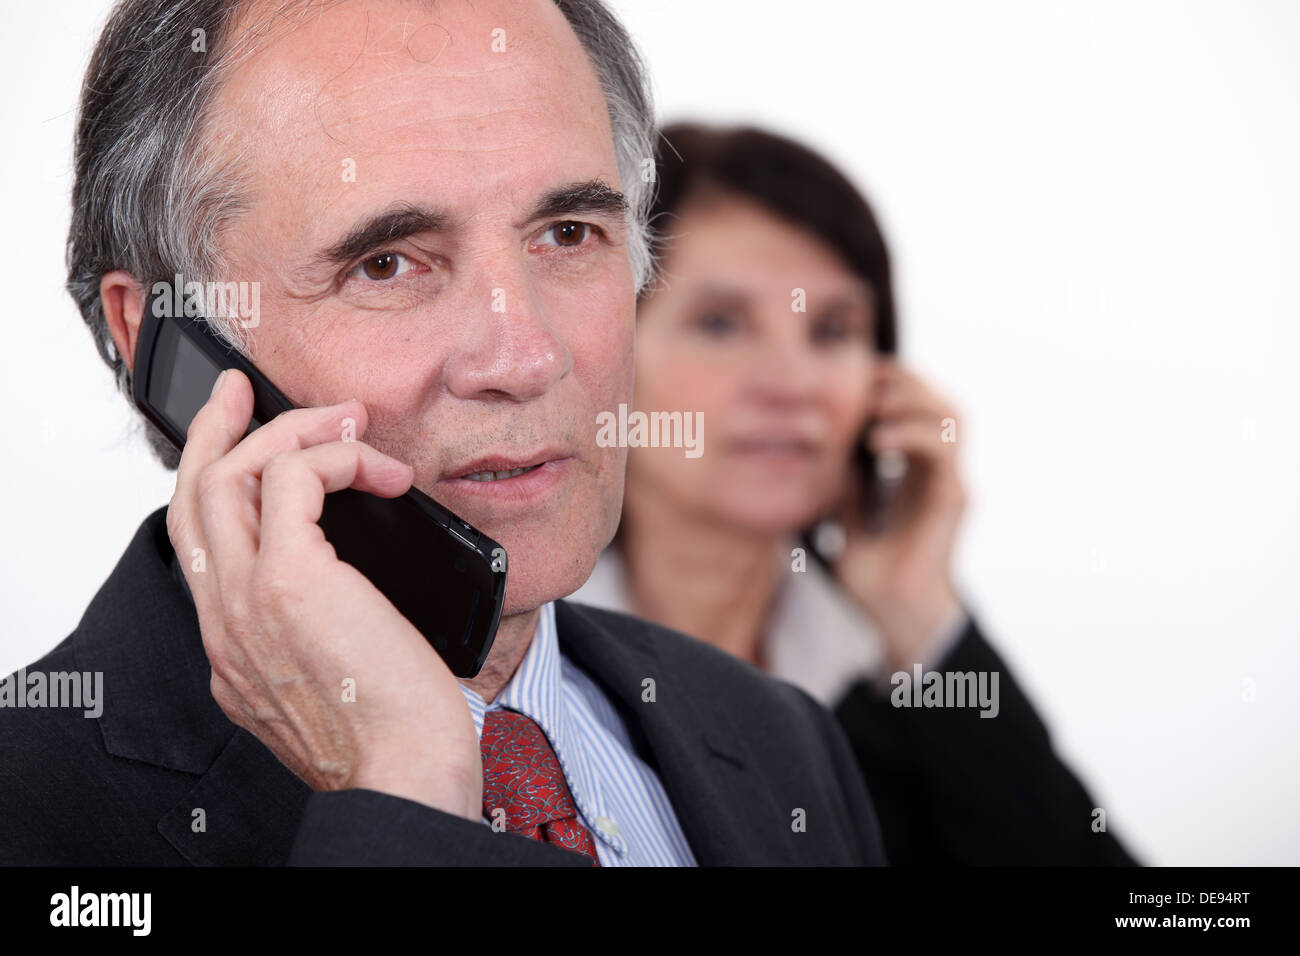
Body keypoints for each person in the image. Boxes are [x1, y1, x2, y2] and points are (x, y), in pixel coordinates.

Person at [0, 0, 885, 866]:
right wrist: (406, 793)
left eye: (568, 234)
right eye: (387, 263)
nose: (527, 355)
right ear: (157, 333)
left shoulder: (781, 743)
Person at [571, 122, 1139, 865]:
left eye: (833, 331)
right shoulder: (516, 658)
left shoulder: (898, 676)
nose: (792, 384)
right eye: (719, 322)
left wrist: (918, 615)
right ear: (607, 348)